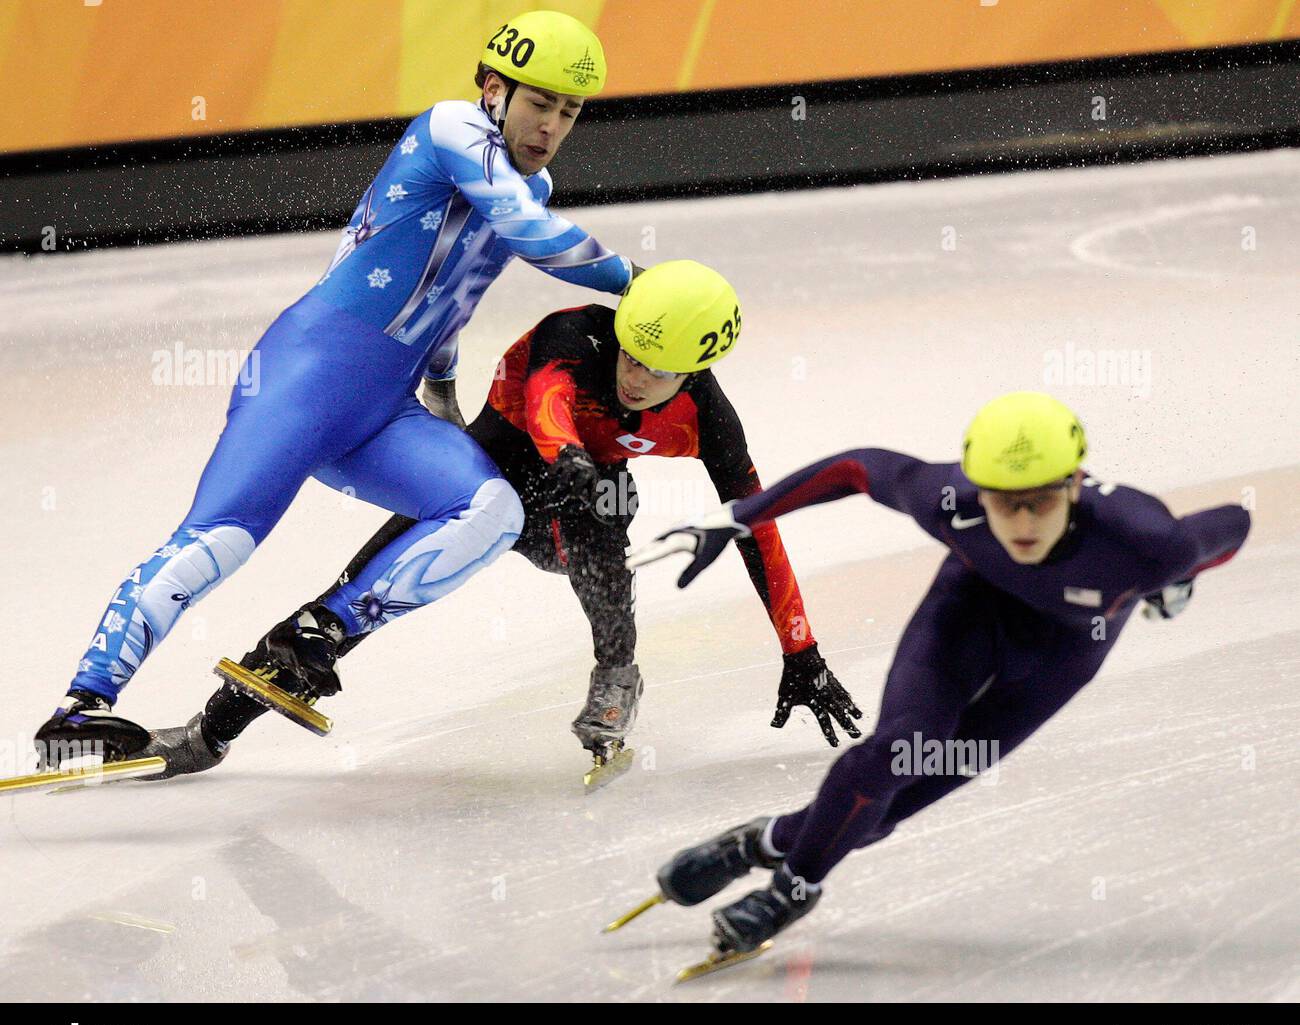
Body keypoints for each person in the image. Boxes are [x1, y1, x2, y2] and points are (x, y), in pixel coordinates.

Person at [35, 11, 638, 775]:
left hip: (384, 409)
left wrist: (444, 387)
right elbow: (530, 235)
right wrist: (640, 285)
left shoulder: (533, 180)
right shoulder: (453, 126)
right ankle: (80, 707)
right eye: (538, 103)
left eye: (570, 111)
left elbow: (461, 292)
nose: (551, 125)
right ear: (492, 88)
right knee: (220, 540)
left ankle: (318, 632)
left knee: (491, 510)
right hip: (307, 375)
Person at [171, 261, 861, 781]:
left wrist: (800, 650)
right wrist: (564, 453)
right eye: (631, 352)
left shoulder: (709, 417)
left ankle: (617, 674)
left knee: (603, 507)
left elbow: (758, 526)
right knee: (362, 591)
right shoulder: (574, 335)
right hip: (484, 476)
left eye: (659, 370)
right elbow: (548, 397)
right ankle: (214, 728)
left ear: (698, 368)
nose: (635, 375)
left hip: (578, 507)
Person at [624, 392, 1251, 956]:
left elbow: (1233, 524)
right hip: (967, 619)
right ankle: (795, 889)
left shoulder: (1146, 541)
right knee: (897, 754)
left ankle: (758, 845)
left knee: (882, 815)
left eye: (1040, 502)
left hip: (1061, 655)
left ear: (1077, 483)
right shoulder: (949, 502)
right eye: (1005, 504)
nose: (1023, 523)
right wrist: (741, 515)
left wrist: (1183, 573)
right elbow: (858, 467)